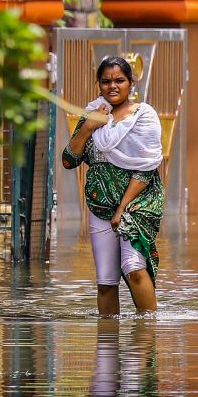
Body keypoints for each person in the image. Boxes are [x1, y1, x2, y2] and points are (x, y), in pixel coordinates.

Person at [63, 56, 165, 314]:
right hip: (100, 205)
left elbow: (146, 168)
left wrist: (121, 208)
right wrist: (87, 128)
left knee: (134, 268)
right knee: (106, 281)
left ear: (131, 83)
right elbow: (68, 160)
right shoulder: (94, 114)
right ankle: (107, 343)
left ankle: (146, 335)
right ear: (99, 84)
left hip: (137, 203)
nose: (113, 86)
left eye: (119, 80)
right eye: (106, 81)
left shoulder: (144, 116)